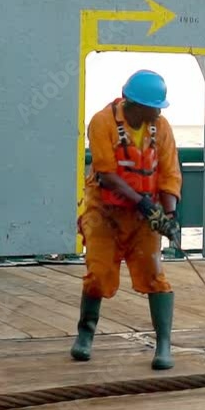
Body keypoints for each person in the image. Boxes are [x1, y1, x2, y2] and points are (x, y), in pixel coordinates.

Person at [71, 69, 183, 369]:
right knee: (98, 274)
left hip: (143, 217)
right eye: (155, 107)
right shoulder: (102, 123)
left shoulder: (161, 128)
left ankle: (163, 344)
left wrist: (169, 215)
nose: (159, 112)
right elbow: (106, 173)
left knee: (154, 275)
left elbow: (170, 173)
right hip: (104, 213)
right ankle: (85, 335)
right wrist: (142, 203)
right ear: (136, 105)